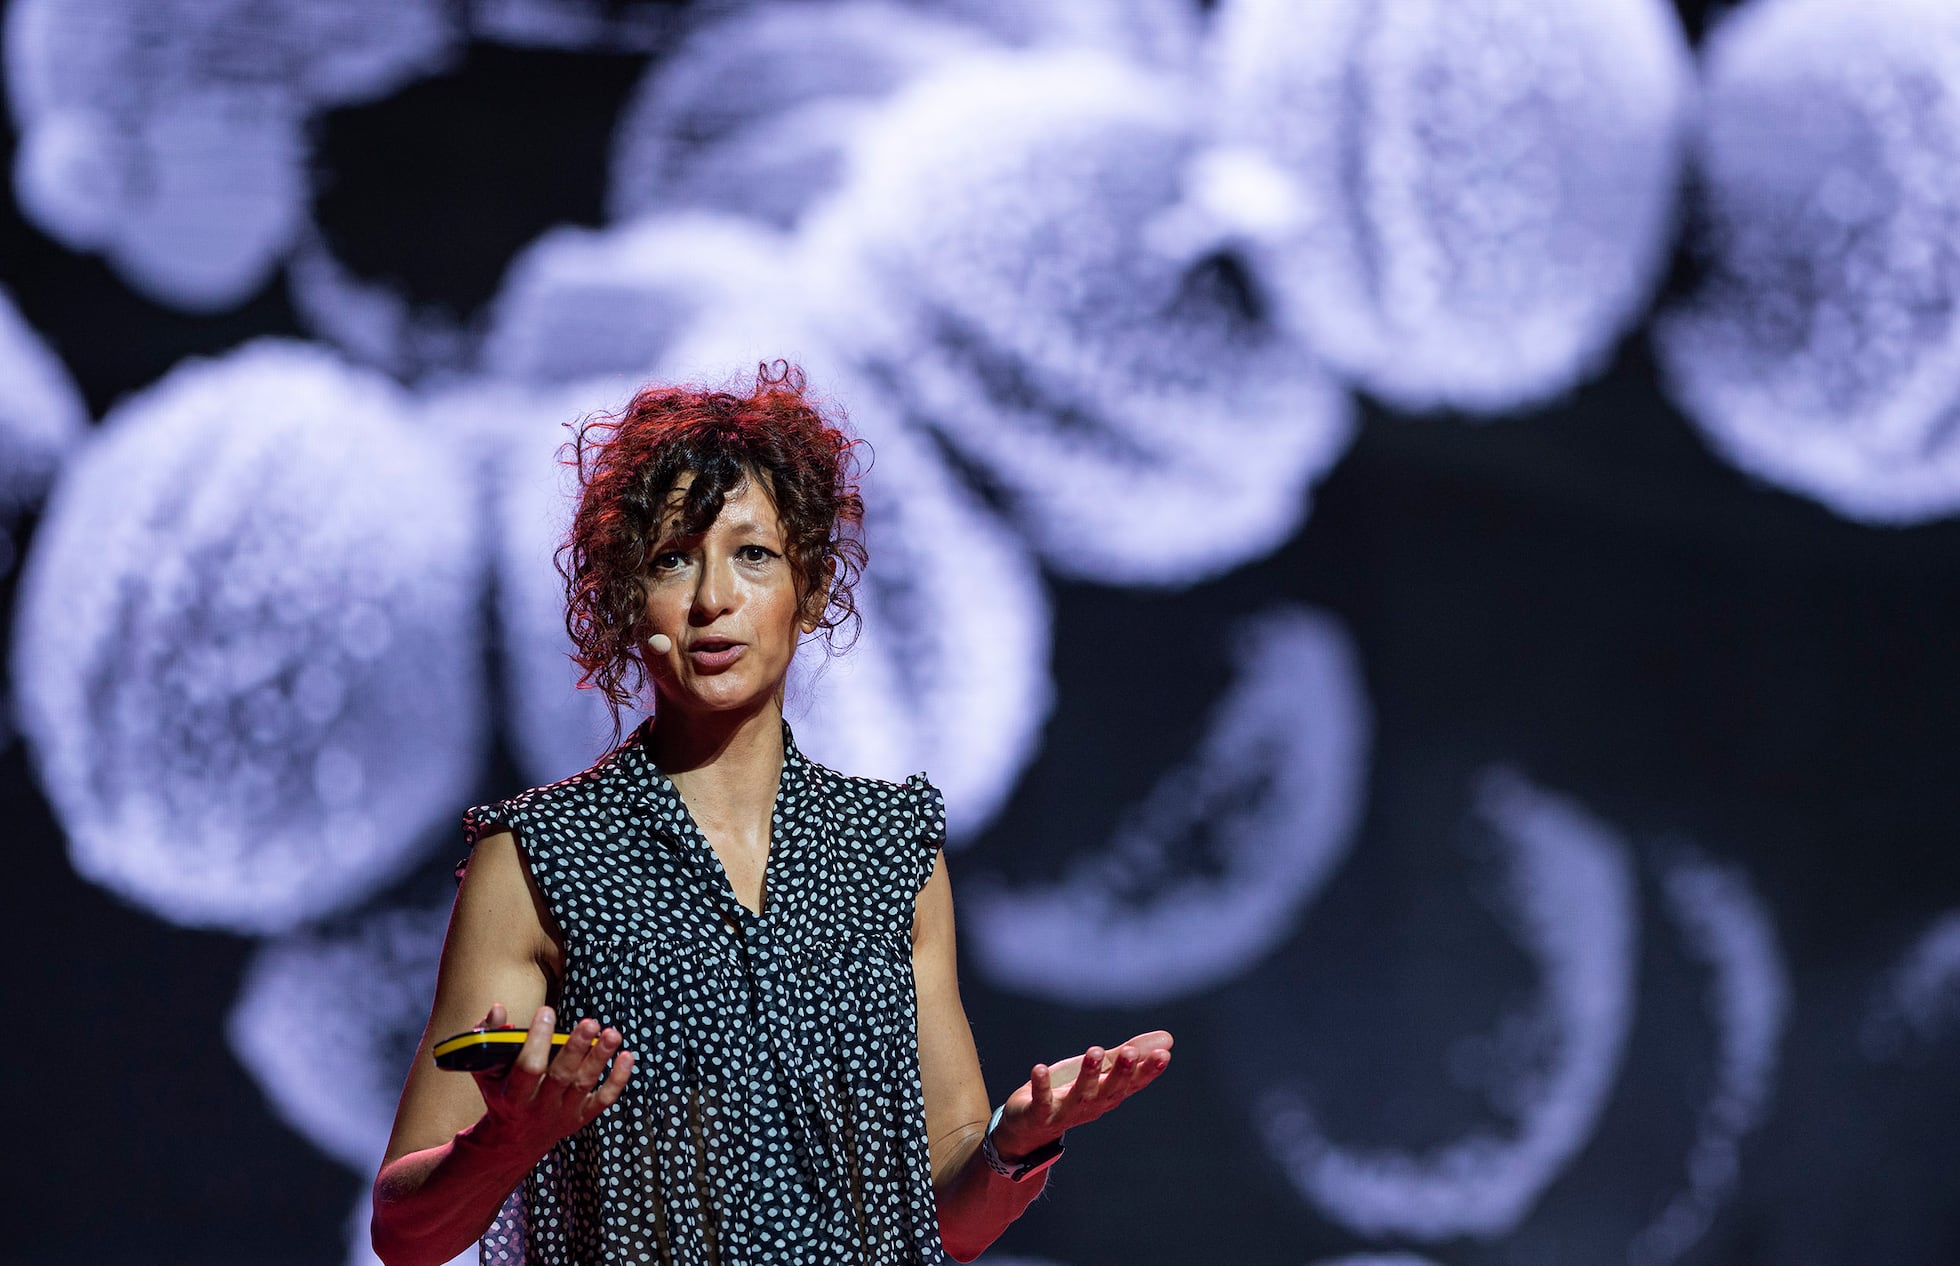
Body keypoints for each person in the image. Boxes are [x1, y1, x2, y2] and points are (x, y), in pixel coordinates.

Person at [370, 363, 1173, 1265]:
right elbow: (404, 1233)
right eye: (673, 558)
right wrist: (508, 1139)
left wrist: (1016, 1144)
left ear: (813, 589)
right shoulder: (535, 858)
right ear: (626, 597)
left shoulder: (891, 851)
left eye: (752, 555)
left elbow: (947, 1221)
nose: (714, 598)